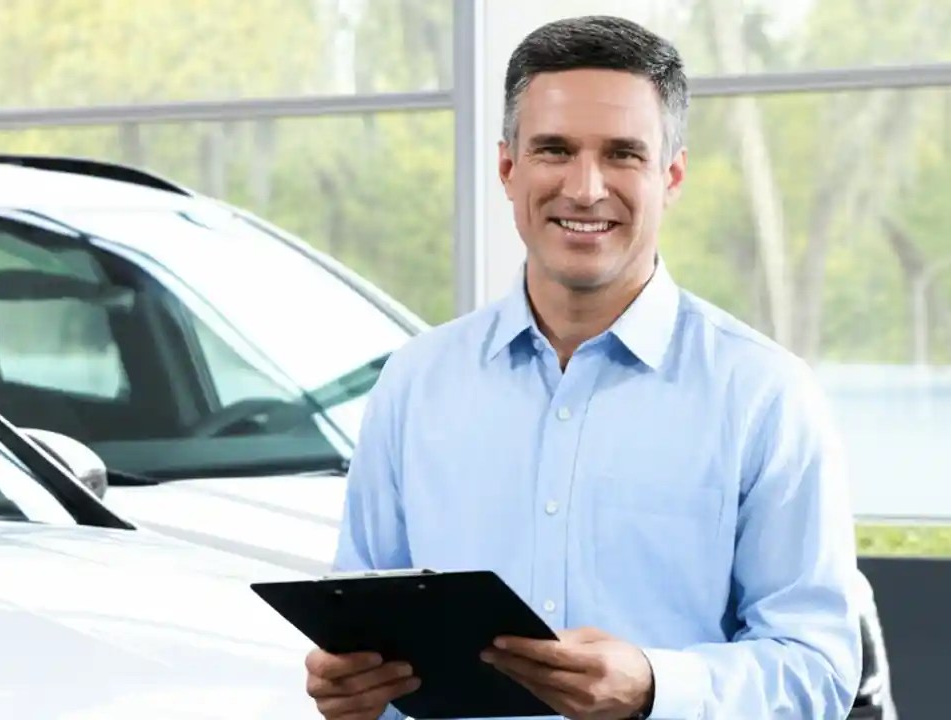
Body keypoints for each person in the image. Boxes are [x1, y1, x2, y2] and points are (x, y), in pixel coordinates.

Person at [303, 14, 862, 720]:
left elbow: (818, 671)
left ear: (672, 175)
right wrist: (350, 690)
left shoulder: (764, 395)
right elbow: (362, 633)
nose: (586, 188)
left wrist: (656, 686)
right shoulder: (414, 382)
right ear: (508, 168)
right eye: (555, 149)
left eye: (624, 154)